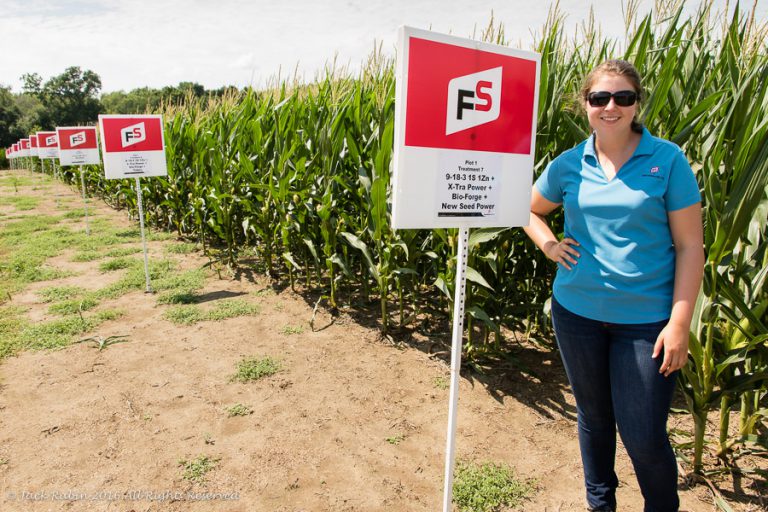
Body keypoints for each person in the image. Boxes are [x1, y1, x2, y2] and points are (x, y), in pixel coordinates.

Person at [523, 59, 704, 512]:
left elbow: (689, 247)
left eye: (623, 98)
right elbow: (529, 209)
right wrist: (549, 246)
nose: (611, 107)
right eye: (600, 98)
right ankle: (599, 503)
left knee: (643, 434)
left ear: (636, 104)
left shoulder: (667, 160)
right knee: (595, 419)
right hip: (576, 313)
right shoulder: (569, 164)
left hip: (646, 323)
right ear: (585, 105)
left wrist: (680, 322)